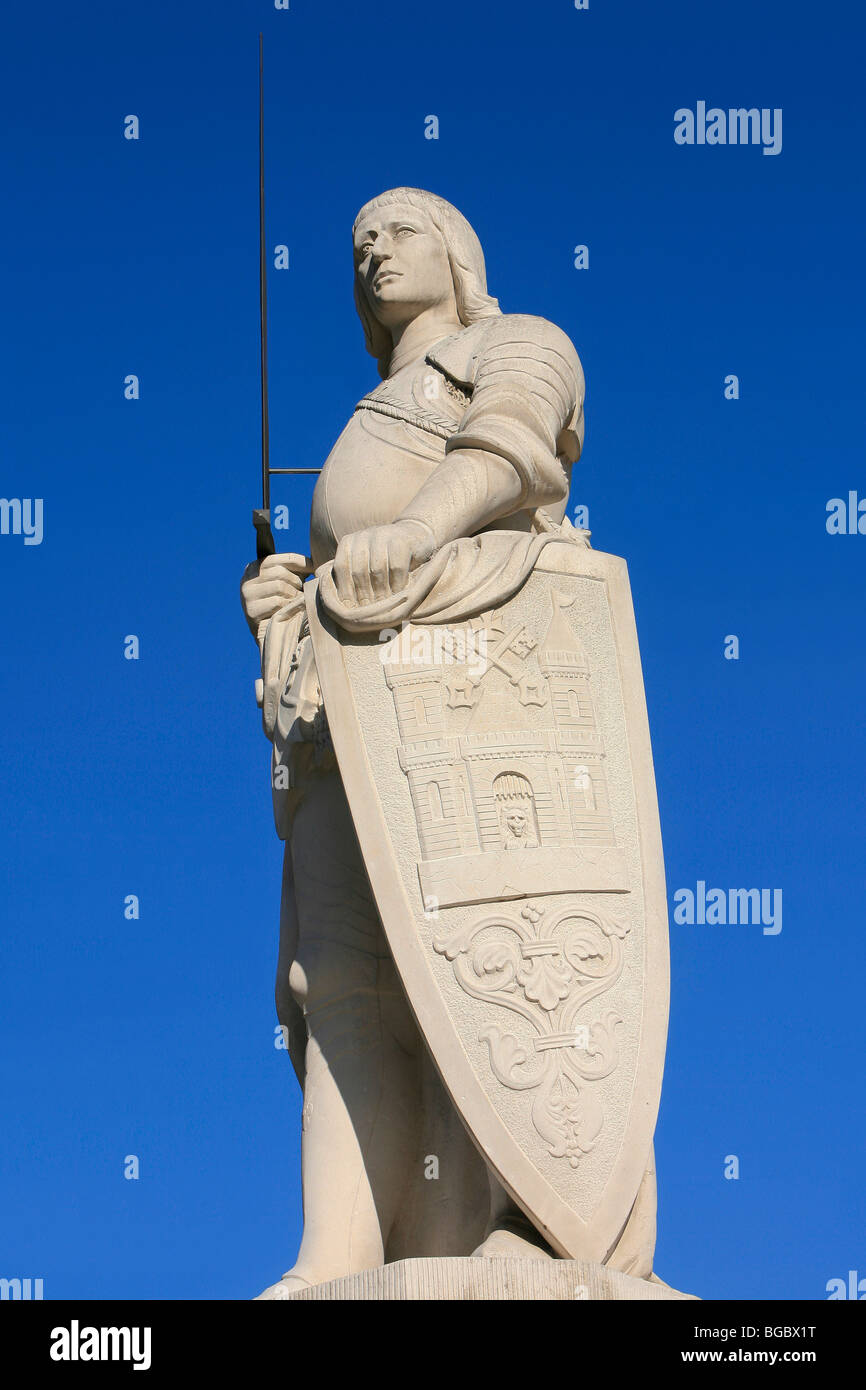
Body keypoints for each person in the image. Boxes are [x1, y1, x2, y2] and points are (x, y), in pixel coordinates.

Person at [241, 189, 656, 1298]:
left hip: (477, 658)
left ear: (459, 254)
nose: (374, 249)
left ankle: (534, 1215)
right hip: (348, 704)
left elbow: (517, 445)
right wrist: (284, 612)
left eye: (400, 230)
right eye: (358, 242)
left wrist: (416, 531)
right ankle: (338, 1247)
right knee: (340, 979)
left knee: (503, 952)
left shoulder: (514, 342)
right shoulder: (363, 409)